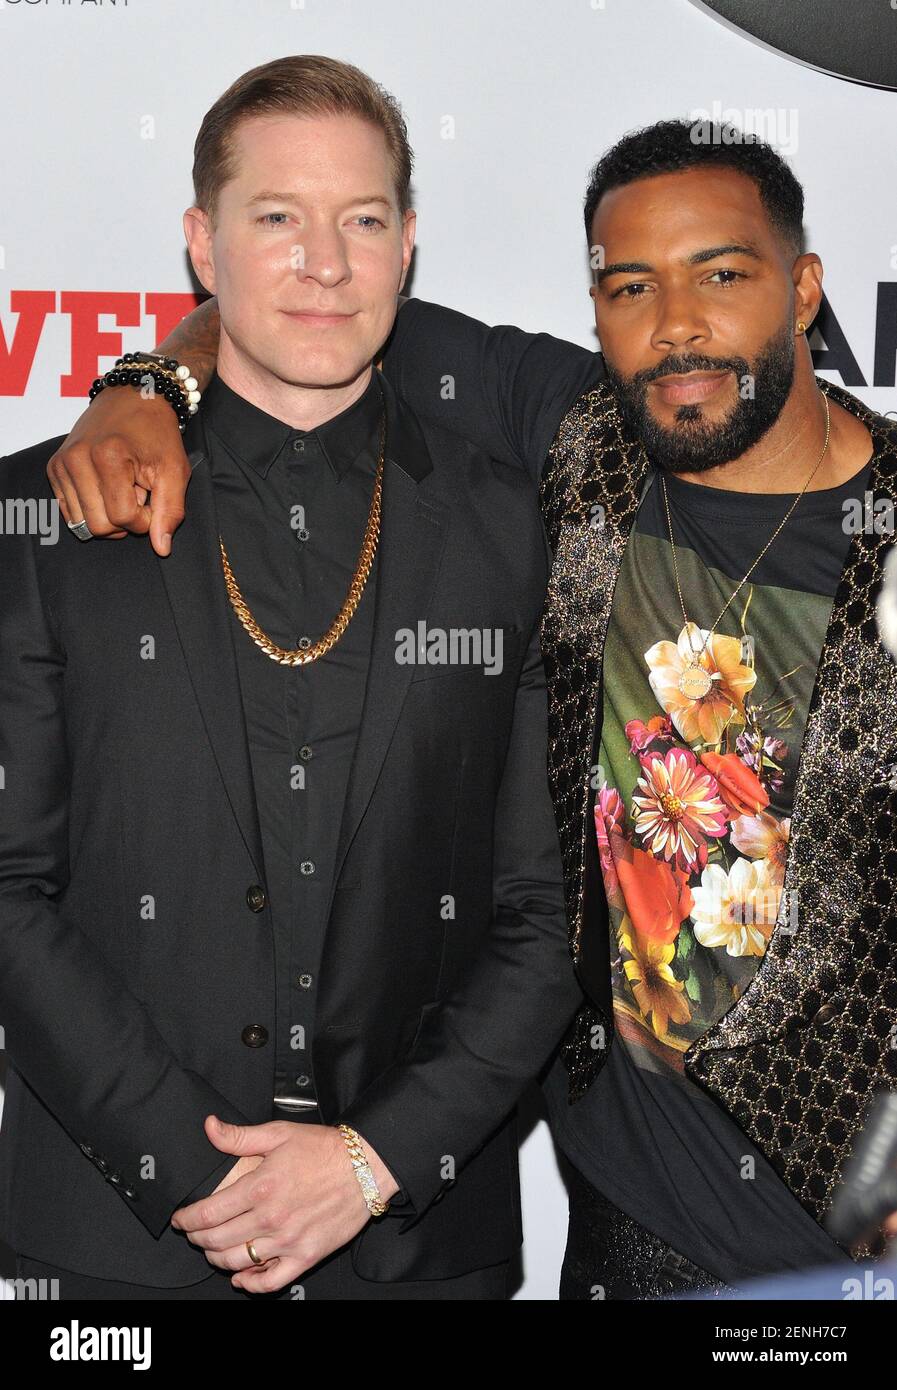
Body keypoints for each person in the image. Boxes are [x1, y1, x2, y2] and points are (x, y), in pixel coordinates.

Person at [45, 113, 897, 1299]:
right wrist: (145, 386)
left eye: (724, 274)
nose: (679, 324)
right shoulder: (578, 434)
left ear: (806, 289)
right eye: (632, 286)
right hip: (627, 1222)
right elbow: (298, 305)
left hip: (846, 1241)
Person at [0, 54, 584, 1301]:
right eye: (277, 219)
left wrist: (372, 1163)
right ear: (201, 247)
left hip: (420, 1250)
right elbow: (7, 886)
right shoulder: (44, 518)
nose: (326, 262)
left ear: (410, 244)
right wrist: (192, 1170)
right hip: (119, 1254)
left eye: (362, 220)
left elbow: (549, 911)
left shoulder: (517, 527)